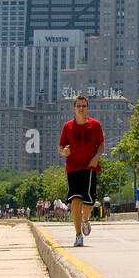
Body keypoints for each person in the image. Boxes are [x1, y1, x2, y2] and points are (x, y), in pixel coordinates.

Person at [58, 95, 104, 247]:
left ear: (87, 107)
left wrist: (96, 157)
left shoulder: (95, 125)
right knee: (75, 201)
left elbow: (101, 145)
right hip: (73, 168)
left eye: (84, 106)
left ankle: (86, 218)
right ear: (74, 108)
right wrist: (64, 152)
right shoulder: (67, 126)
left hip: (89, 167)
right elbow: (60, 147)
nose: (81, 108)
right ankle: (78, 235)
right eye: (78, 106)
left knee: (89, 203)